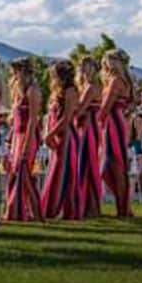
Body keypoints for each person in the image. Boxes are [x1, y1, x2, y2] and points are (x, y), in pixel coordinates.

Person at [2, 58, 42, 222]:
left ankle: (34, 213)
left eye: (15, 72)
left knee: (24, 174)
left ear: (23, 72)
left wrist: (27, 143)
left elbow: (33, 119)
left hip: (27, 136)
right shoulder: (18, 91)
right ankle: (23, 211)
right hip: (17, 137)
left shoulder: (32, 91)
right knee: (16, 173)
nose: (13, 75)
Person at [40, 61, 82, 220]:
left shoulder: (70, 91)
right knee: (55, 170)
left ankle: (64, 209)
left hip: (67, 136)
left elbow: (67, 118)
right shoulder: (55, 91)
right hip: (56, 135)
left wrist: (50, 135)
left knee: (64, 171)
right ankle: (51, 208)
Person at [99, 49, 134, 217]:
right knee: (109, 167)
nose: (109, 63)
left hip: (113, 122)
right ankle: (124, 205)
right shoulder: (116, 80)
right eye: (108, 59)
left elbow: (106, 106)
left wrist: (97, 122)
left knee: (115, 165)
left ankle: (123, 207)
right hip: (114, 120)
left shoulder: (116, 80)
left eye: (113, 59)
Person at [74, 57, 103, 218]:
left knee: (86, 164)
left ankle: (88, 205)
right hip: (86, 126)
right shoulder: (86, 86)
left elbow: (80, 109)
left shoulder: (91, 87)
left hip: (88, 127)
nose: (82, 69)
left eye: (85, 66)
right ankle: (87, 205)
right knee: (86, 164)